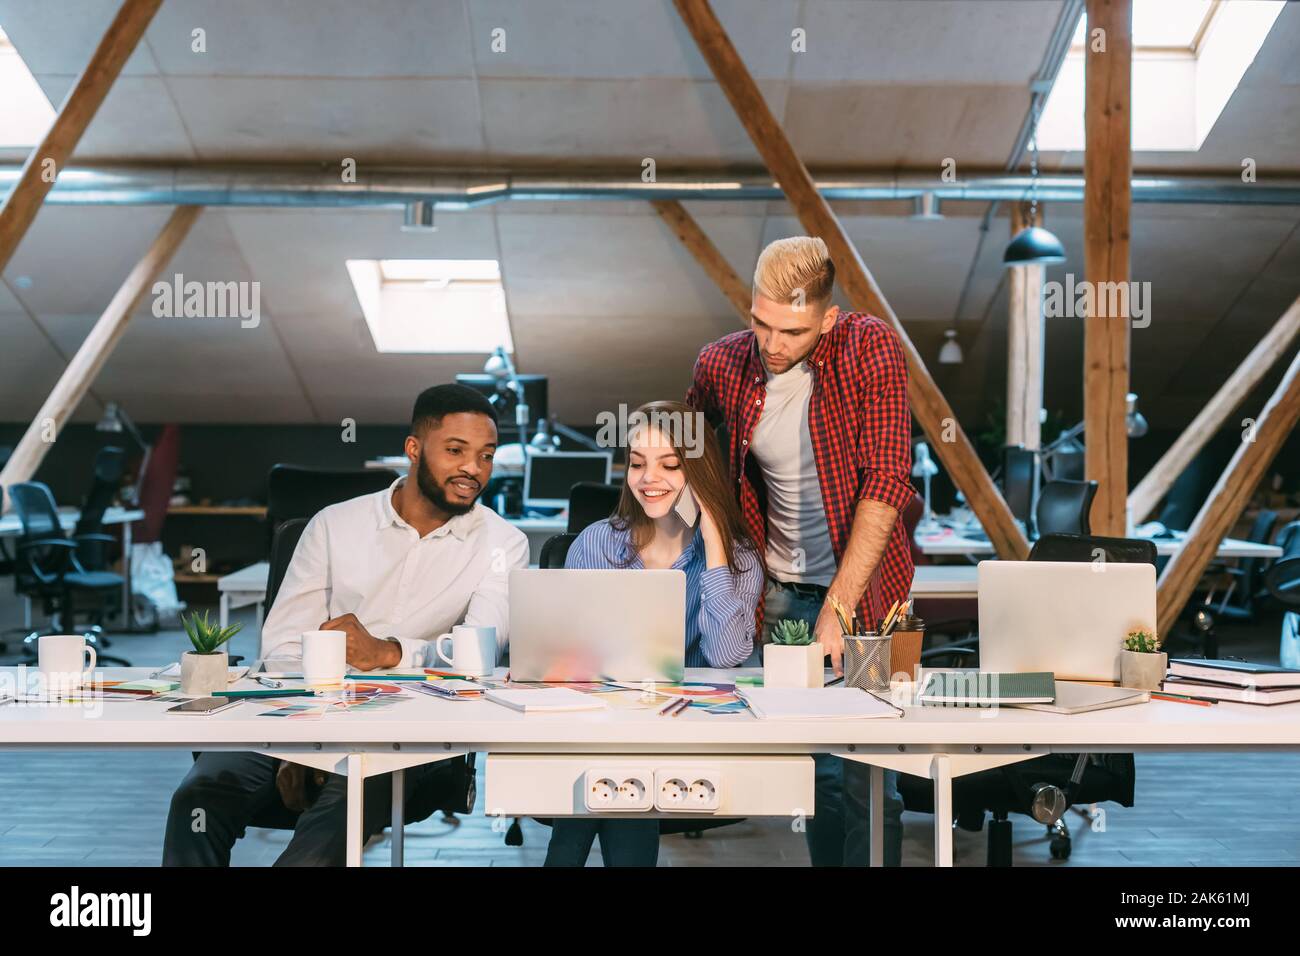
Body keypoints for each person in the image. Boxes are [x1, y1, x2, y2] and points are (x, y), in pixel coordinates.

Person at [162, 384, 529, 866]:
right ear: (414, 450)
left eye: (486, 456)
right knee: (199, 799)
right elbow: (283, 646)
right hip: (300, 716)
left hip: (410, 731)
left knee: (338, 812)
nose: (473, 470)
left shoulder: (504, 544)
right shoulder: (334, 525)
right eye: (456, 451)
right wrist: (303, 745)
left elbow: (478, 659)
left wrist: (391, 653)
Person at [686, 236, 915, 867]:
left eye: (792, 331)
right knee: (815, 769)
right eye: (760, 323)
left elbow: (887, 480)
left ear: (828, 319)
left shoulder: (870, 348)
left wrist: (838, 610)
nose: (773, 345)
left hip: (870, 596)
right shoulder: (721, 365)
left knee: (872, 775)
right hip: (781, 590)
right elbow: (691, 465)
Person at [543, 400, 763, 867]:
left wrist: (715, 544)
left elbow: (725, 656)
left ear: (698, 474)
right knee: (619, 754)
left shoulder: (738, 559)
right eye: (637, 464)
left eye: (669, 465)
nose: (648, 479)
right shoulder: (597, 542)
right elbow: (570, 656)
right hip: (603, 718)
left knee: (616, 763)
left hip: (689, 726)